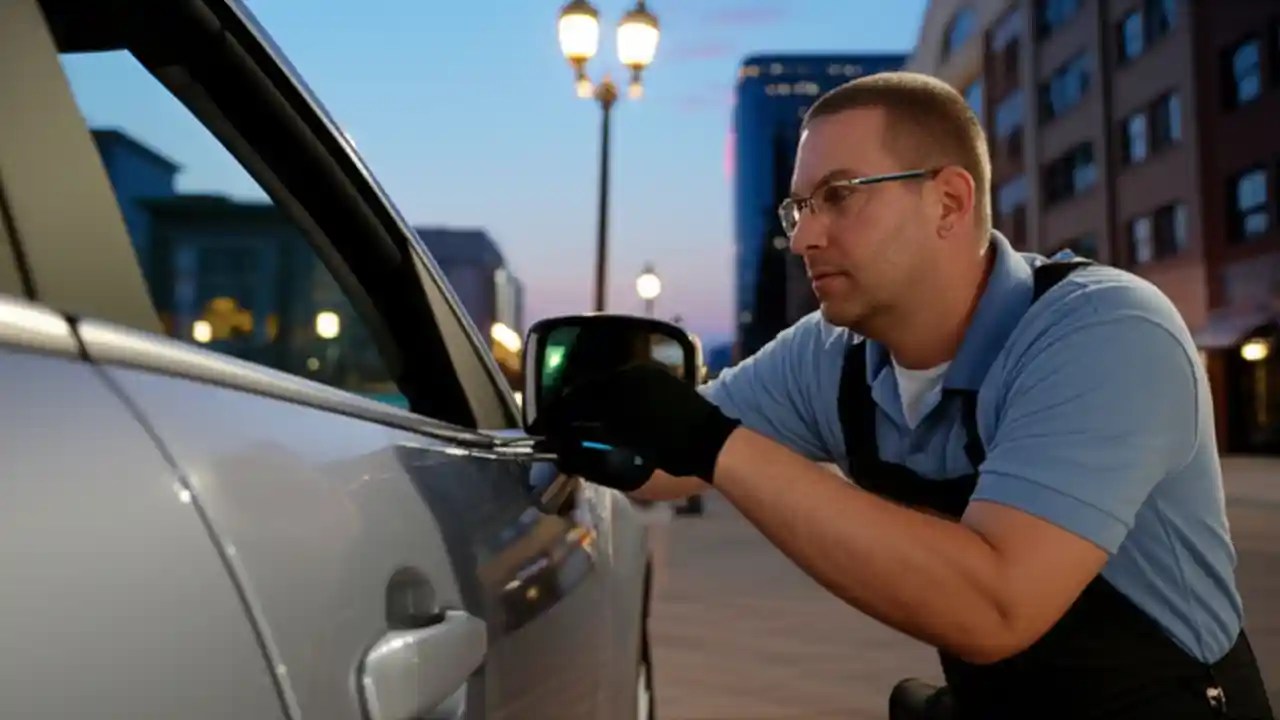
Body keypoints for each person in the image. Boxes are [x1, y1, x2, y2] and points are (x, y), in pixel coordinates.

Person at [540, 72, 1274, 719]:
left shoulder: (1104, 332)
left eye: (838, 197)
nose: (803, 240)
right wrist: (567, 425)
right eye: (798, 210)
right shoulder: (833, 355)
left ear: (950, 201)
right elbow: (673, 461)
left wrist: (709, 441)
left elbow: (997, 605)